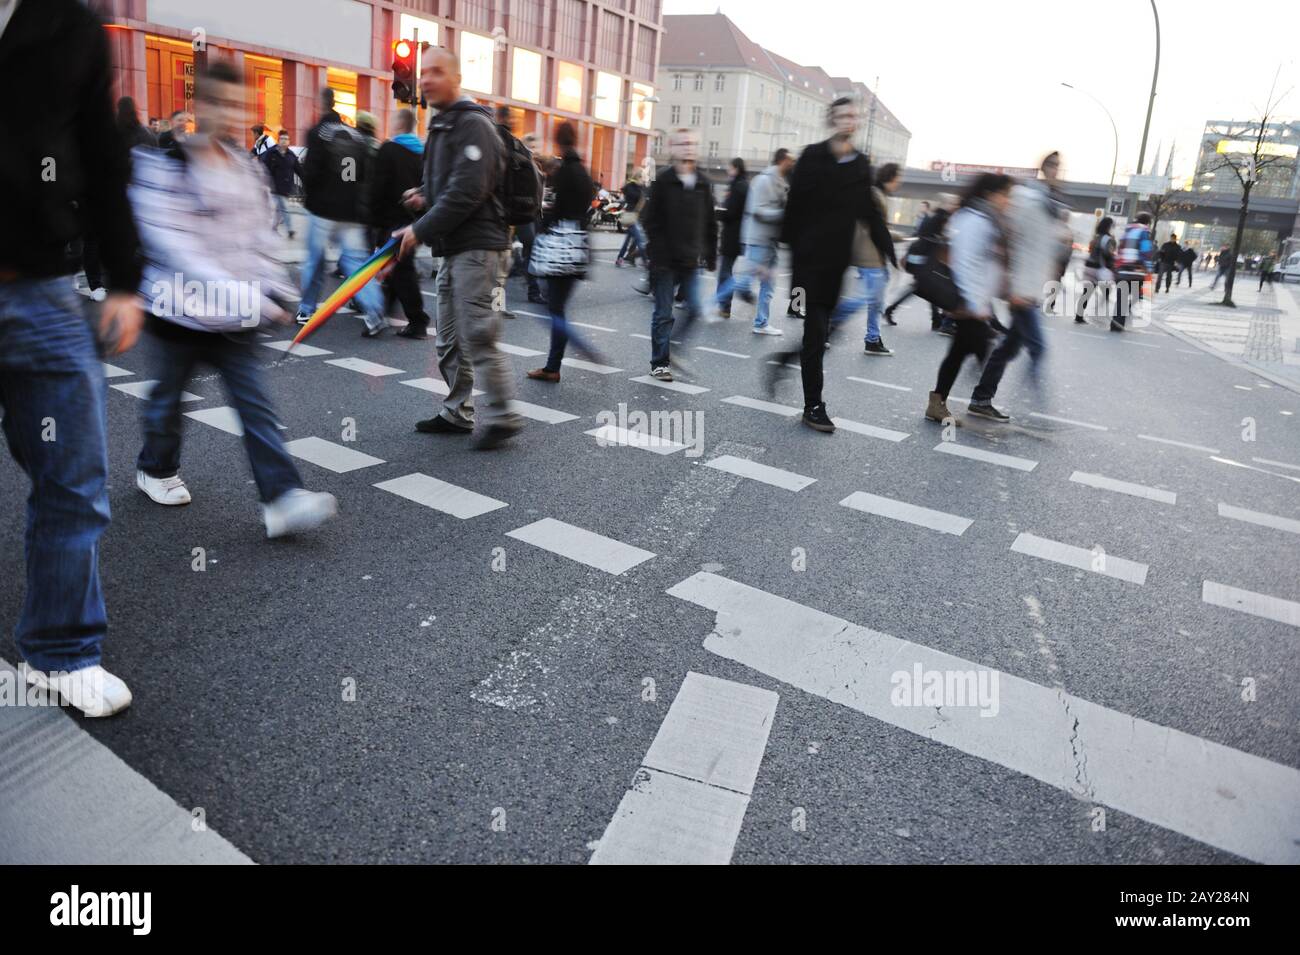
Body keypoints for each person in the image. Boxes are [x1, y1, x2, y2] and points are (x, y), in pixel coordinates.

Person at [1, 0, 145, 716]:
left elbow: (101, 152)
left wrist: (124, 278)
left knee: (76, 475)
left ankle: (60, 651)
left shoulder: (71, 25)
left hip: (41, 289)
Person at [129, 60, 338, 541]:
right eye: (220, 102)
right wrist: (254, 298)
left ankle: (281, 499)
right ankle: (154, 468)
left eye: (239, 104)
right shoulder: (166, 165)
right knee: (166, 404)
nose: (230, 112)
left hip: (236, 320)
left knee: (256, 406)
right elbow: (178, 249)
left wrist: (279, 289)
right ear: (199, 105)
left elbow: (259, 241)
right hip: (178, 313)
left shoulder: (246, 169)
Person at [394, 46, 522, 450]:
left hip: (480, 248)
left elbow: (469, 190)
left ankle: (504, 415)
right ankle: (457, 411)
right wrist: (423, 194)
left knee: (479, 334)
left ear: (455, 77)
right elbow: (450, 186)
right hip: (453, 247)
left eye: (435, 72)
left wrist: (420, 228)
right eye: (424, 72)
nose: (426, 79)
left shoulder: (473, 125)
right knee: (448, 337)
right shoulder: (443, 124)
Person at [768, 96, 896, 432]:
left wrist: (888, 250)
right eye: (841, 115)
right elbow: (795, 207)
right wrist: (788, 254)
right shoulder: (812, 156)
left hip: (838, 263)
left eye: (852, 115)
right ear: (832, 119)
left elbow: (867, 211)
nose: (848, 120)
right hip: (810, 261)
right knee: (816, 334)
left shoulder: (860, 163)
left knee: (827, 332)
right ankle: (813, 406)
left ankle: (783, 360)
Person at [965, 152, 1070, 421]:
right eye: (1052, 165)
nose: (1056, 170)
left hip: (1033, 288)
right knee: (1038, 347)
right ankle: (1039, 413)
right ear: (1043, 167)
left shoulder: (1050, 204)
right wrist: (1012, 286)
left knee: (1008, 348)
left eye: (1059, 166)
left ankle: (981, 398)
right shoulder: (1027, 199)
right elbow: (1010, 242)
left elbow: (1045, 247)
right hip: (1021, 289)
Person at [296, 87, 387, 336]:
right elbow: (363, 176)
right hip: (351, 211)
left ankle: (306, 309)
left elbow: (311, 172)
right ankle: (374, 312)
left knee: (315, 260)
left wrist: (309, 197)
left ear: (319, 104)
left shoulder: (317, 133)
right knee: (355, 263)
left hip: (323, 208)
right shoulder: (356, 136)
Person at [924, 174, 1014, 423]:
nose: (1009, 200)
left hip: (973, 300)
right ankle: (980, 400)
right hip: (967, 300)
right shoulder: (974, 220)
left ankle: (939, 403)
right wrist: (974, 304)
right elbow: (965, 262)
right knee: (988, 350)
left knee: (960, 352)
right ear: (990, 194)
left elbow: (985, 263)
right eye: (1006, 195)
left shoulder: (984, 219)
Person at [640, 127, 716, 381]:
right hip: (664, 261)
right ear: (673, 148)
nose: (688, 147)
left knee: (695, 308)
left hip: (691, 260)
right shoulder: (663, 180)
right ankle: (659, 363)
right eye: (683, 143)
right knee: (663, 313)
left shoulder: (703, 182)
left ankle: (673, 349)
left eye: (692, 143)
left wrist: (711, 253)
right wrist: (658, 251)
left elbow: (709, 222)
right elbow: (649, 220)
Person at [525, 122, 597, 383]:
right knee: (558, 306)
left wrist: (542, 229)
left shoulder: (562, 172)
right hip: (578, 246)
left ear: (557, 141)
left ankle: (560, 361)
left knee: (553, 307)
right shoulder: (585, 173)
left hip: (558, 247)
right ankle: (553, 364)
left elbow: (554, 211)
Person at [714, 148, 794, 337]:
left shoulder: (781, 182)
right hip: (759, 239)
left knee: (768, 285)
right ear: (782, 160)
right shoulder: (764, 180)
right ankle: (707, 306)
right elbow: (758, 210)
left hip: (770, 241)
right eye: (791, 160)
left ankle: (761, 322)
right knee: (742, 280)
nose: (793, 163)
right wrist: (784, 213)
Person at [369, 107, 432, 339]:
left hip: (391, 220)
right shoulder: (422, 152)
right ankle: (381, 312)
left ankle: (417, 321)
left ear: (397, 124)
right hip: (414, 220)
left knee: (401, 270)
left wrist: (373, 219)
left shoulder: (389, 149)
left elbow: (378, 188)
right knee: (396, 268)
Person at [830, 162, 903, 355]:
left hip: (874, 256)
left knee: (875, 301)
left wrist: (895, 237)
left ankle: (872, 339)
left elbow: (879, 227)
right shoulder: (874, 195)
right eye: (898, 179)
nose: (899, 183)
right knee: (865, 299)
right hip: (870, 257)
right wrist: (892, 253)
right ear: (890, 178)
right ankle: (829, 325)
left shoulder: (877, 195)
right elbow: (876, 228)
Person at [884, 192, 958, 330]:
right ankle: (892, 310)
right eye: (953, 203)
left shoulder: (934, 215)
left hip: (919, 256)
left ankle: (935, 319)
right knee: (926, 286)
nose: (955, 206)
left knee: (927, 286)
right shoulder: (941, 216)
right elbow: (941, 237)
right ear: (946, 204)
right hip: (923, 257)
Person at [714, 158, 749, 318]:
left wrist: (717, 213)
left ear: (735, 168)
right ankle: (724, 304)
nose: (728, 171)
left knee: (725, 272)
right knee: (726, 270)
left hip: (732, 235)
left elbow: (731, 212)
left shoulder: (738, 187)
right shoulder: (744, 185)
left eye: (729, 168)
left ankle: (725, 304)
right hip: (738, 234)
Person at [1113, 212, 1154, 330]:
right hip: (1136, 271)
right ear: (1147, 222)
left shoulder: (1126, 230)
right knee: (1136, 295)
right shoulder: (1144, 231)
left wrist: (1117, 267)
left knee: (1121, 298)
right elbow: (1146, 251)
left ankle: (1116, 324)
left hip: (1122, 270)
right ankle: (1120, 323)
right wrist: (1149, 269)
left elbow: (1119, 249)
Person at [261, 130, 303, 239]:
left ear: (289, 141)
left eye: (286, 139)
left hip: (286, 188)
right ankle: (289, 230)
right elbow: (264, 168)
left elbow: (299, 170)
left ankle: (272, 229)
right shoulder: (271, 153)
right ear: (278, 140)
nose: (284, 141)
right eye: (282, 139)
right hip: (274, 187)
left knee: (280, 211)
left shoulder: (291, 155)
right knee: (282, 209)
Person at [1076, 216, 1116, 324]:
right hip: (1099, 268)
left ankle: (1078, 316)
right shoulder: (1108, 239)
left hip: (1088, 266)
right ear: (1109, 227)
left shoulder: (1096, 237)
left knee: (1086, 293)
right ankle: (1103, 314)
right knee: (1107, 290)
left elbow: (1091, 250)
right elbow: (1109, 254)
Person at [614, 172, 646, 268]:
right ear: (638, 177)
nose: (644, 179)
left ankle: (620, 258)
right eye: (642, 177)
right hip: (630, 215)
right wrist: (640, 188)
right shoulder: (631, 187)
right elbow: (633, 197)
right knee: (640, 239)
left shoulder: (639, 187)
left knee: (629, 240)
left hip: (635, 215)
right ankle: (646, 261)